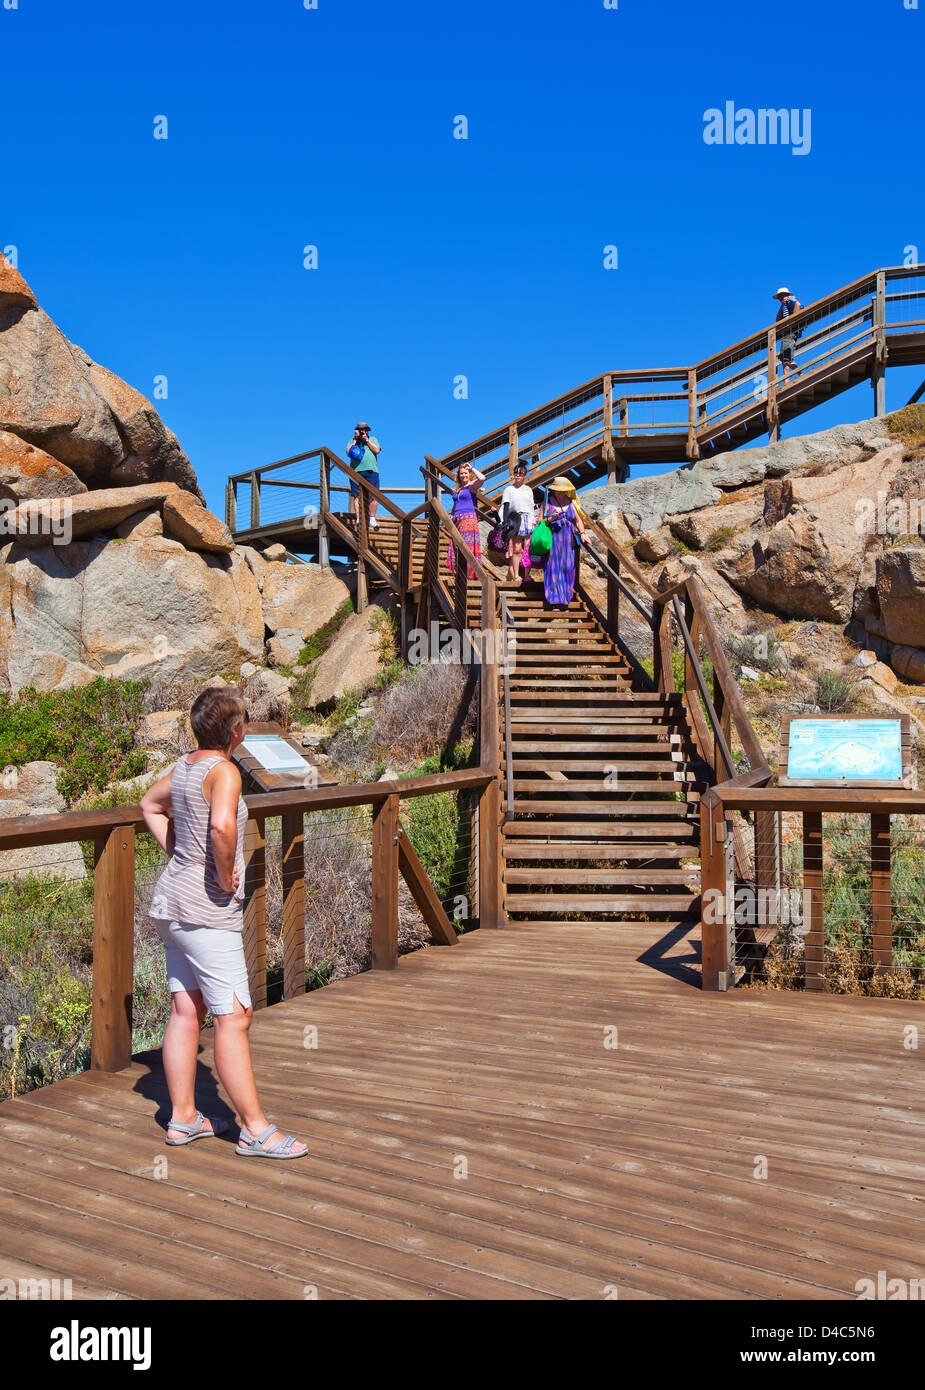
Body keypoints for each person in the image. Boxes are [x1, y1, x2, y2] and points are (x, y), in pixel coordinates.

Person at [140, 686, 308, 1161]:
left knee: (185, 1010)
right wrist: (222, 871)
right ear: (237, 731)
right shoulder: (227, 772)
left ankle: (183, 1118)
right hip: (204, 912)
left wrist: (180, 854)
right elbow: (220, 828)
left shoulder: (184, 767)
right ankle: (255, 1130)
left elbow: (149, 806)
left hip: (171, 904)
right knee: (234, 1017)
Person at [543, 476, 587, 607]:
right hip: (553, 540)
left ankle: (565, 598)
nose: (560, 492)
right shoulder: (548, 502)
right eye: (558, 489)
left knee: (567, 567)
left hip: (568, 541)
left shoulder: (572, 503)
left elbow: (578, 520)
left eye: (562, 490)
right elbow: (541, 521)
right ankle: (554, 600)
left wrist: (583, 533)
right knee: (553, 567)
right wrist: (551, 518)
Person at [499, 463, 537, 585]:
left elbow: (531, 506)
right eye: (516, 473)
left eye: (521, 473)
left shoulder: (528, 490)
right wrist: (505, 522)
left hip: (528, 518)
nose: (518, 475)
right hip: (515, 519)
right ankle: (516, 575)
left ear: (525, 475)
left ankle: (526, 575)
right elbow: (505, 505)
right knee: (516, 548)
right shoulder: (509, 489)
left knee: (527, 548)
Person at [446, 461, 486, 577]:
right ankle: (459, 572)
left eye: (465, 473)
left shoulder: (472, 486)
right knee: (457, 546)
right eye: (461, 473)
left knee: (466, 547)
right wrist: (452, 515)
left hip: (468, 520)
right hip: (456, 521)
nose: (463, 475)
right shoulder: (459, 489)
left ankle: (468, 574)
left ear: (469, 474)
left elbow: (482, 478)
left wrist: (471, 468)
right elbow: (456, 504)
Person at [346, 421, 382, 530]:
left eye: (364, 430)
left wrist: (366, 440)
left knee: (374, 495)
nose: (363, 432)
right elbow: (348, 452)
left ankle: (372, 519)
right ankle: (358, 518)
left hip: (372, 471)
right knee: (356, 495)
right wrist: (355, 440)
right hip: (356, 472)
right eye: (360, 430)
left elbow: (377, 450)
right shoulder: (352, 441)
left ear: (367, 431)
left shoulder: (373, 439)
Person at [773, 287, 803, 379]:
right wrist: (782, 306)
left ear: (786, 295)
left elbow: (798, 305)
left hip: (790, 331)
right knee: (785, 358)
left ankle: (787, 379)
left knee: (786, 358)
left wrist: (792, 321)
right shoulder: (785, 305)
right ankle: (799, 375)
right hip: (787, 332)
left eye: (781, 296)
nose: (780, 298)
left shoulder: (790, 301)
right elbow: (777, 320)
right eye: (779, 297)